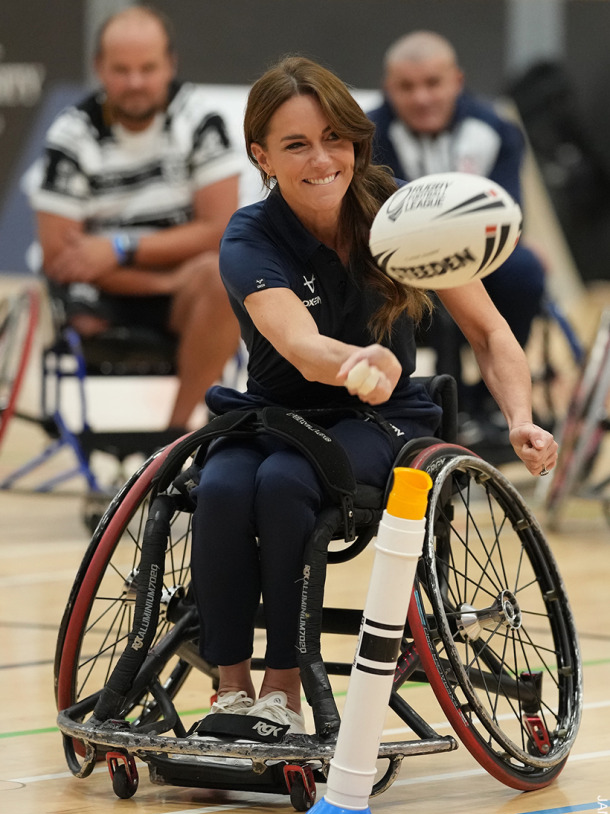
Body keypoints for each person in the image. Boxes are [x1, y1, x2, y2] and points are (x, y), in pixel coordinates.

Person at [189, 55, 557, 738]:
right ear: (261, 156)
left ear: (357, 142)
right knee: (223, 484)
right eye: (296, 144)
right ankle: (231, 692)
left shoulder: (402, 217)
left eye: (336, 138)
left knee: (284, 481)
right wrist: (356, 357)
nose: (322, 158)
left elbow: (489, 330)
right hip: (277, 411)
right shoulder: (249, 236)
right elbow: (298, 344)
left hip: (383, 419)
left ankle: (282, 690)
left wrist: (521, 418)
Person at [28, 5, 242, 431]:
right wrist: (163, 275)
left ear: (170, 65)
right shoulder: (70, 136)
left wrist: (120, 248)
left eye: (148, 68)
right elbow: (60, 257)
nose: (136, 83)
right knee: (79, 300)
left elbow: (222, 229)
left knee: (226, 279)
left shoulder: (201, 122)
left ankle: (171, 436)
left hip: (184, 288)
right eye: (121, 70)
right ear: (99, 69)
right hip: (105, 291)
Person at [367, 30, 547, 450]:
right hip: (399, 263)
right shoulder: (367, 135)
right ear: (388, 88)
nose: (422, 97)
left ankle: (491, 407)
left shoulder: (496, 130)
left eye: (433, 83)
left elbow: (507, 216)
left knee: (525, 268)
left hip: (480, 258)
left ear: (457, 81)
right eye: (407, 87)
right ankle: (438, 407)